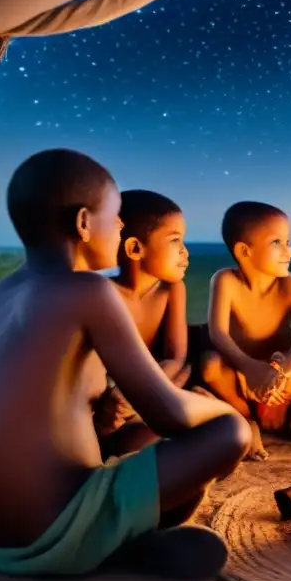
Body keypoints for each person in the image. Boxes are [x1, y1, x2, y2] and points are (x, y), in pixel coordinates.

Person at [0, 149, 250, 579]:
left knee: (139, 449)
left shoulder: (2, 291)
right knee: (230, 432)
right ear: (84, 223)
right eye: (117, 216)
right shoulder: (87, 290)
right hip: (48, 531)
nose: (121, 227)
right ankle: (109, 546)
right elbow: (172, 414)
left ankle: (117, 542)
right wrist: (223, 408)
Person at [200, 201, 291, 457]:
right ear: (244, 251)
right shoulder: (225, 280)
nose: (288, 251)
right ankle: (246, 419)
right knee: (209, 364)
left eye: (288, 242)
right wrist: (250, 367)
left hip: (283, 377)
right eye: (276, 242)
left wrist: (282, 372)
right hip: (242, 376)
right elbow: (218, 334)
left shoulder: (289, 284)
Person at [95, 190, 191, 458]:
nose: (185, 252)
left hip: (149, 389)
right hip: (107, 398)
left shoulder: (172, 289)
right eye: (175, 241)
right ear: (135, 248)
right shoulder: (102, 294)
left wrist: (136, 395)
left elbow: (175, 357)